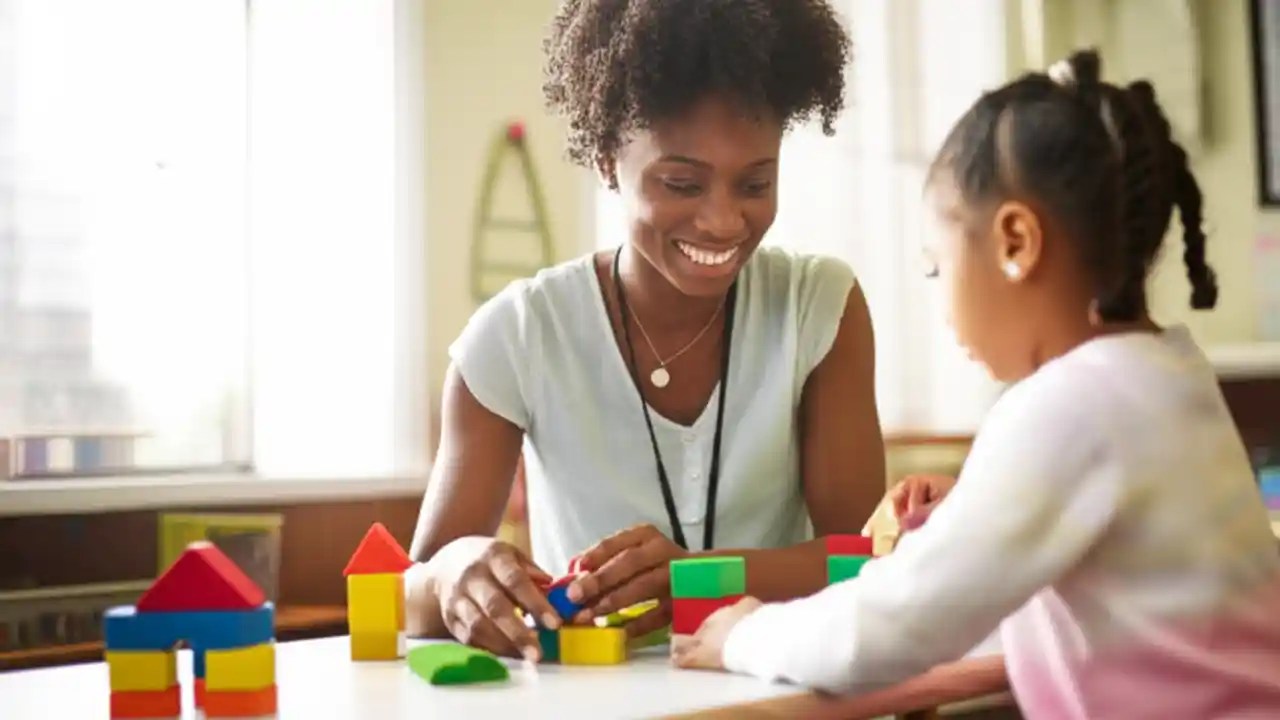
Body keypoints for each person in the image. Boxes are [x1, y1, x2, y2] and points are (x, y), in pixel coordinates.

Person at [672, 49, 1280, 718]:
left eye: (937, 266)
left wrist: (745, 634)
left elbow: (891, 628)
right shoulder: (1167, 373)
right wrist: (968, 513)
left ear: (1016, 241)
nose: (940, 299)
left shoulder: (1068, 405)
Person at [404, 0, 887, 662]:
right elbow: (412, 590)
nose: (723, 222)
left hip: (780, 692)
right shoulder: (517, 336)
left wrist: (698, 579)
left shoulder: (819, 308)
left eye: (756, 182)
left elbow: (867, 563)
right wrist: (452, 572)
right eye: (682, 182)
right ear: (607, 160)